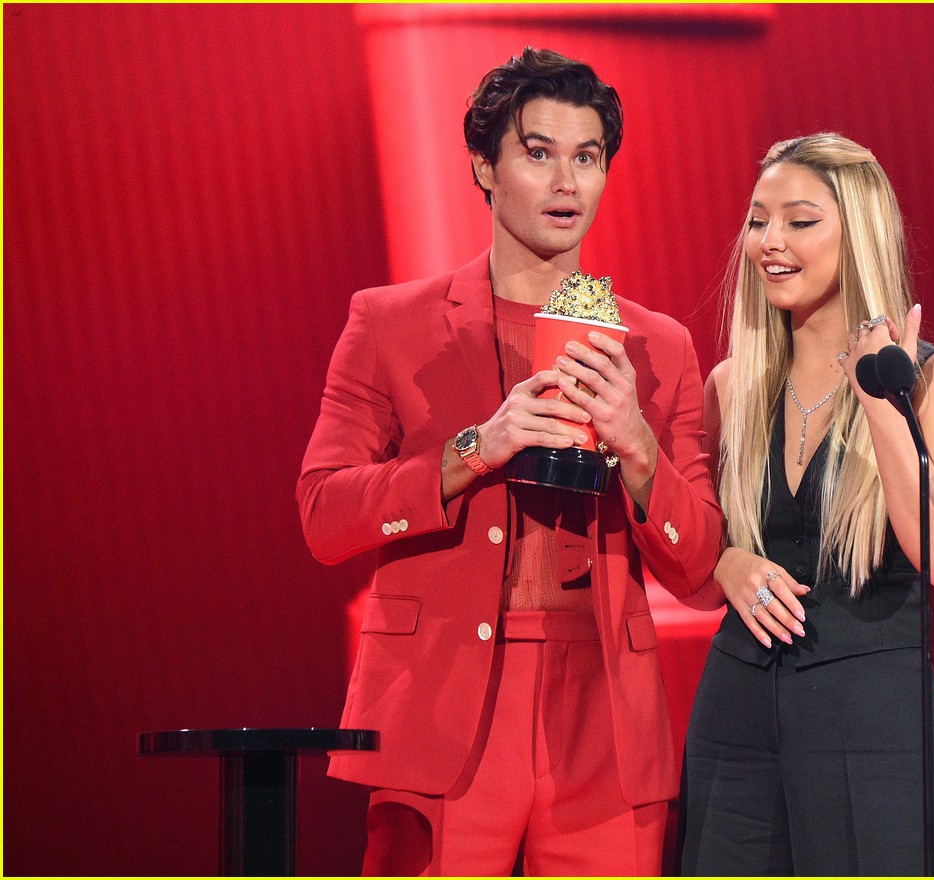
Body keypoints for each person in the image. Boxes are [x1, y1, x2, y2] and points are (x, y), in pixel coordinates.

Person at [297, 47, 721, 876]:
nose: (567, 182)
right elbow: (323, 516)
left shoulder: (659, 346)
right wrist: (473, 451)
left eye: (587, 157)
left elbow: (700, 568)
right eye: (539, 153)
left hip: (603, 719)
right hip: (442, 711)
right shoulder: (389, 324)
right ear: (483, 169)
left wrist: (637, 448)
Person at [679, 133, 934, 875]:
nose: (769, 242)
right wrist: (723, 562)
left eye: (800, 220)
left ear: (860, 233)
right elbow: (680, 548)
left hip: (871, 724)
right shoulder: (731, 387)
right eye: (758, 221)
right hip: (737, 719)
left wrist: (878, 397)